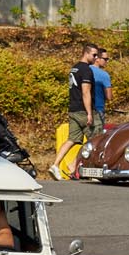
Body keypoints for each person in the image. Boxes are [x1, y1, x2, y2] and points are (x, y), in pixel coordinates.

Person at [50, 41, 98, 180]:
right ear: (86, 53)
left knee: (72, 139)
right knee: (95, 140)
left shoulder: (74, 68)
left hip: (73, 109)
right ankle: (93, 171)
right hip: (83, 110)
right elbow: (86, 92)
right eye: (94, 55)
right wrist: (89, 113)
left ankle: (56, 165)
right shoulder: (86, 70)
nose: (96, 58)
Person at [92, 47, 112, 128]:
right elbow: (109, 96)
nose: (107, 61)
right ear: (97, 59)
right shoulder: (104, 75)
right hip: (98, 109)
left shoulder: (84, 70)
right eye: (105, 59)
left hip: (82, 110)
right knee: (98, 138)